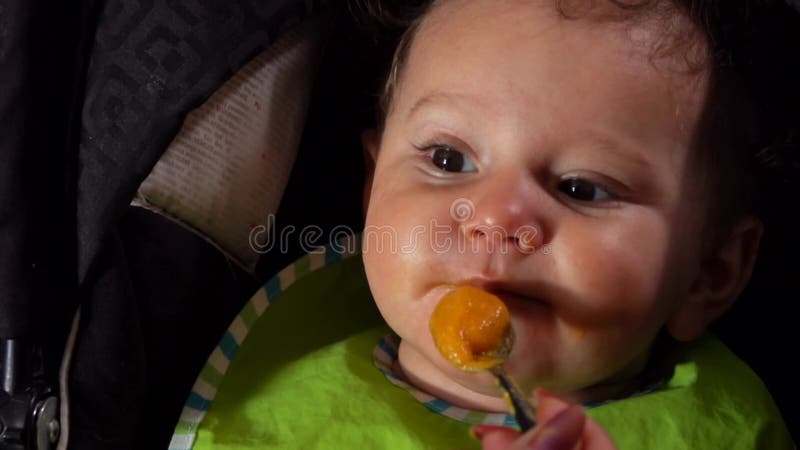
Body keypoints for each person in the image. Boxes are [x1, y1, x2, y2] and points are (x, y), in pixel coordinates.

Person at [177, 0, 797, 448]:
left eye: (581, 188)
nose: (496, 219)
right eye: (448, 160)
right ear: (372, 190)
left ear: (708, 275)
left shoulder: (725, 431)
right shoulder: (286, 378)